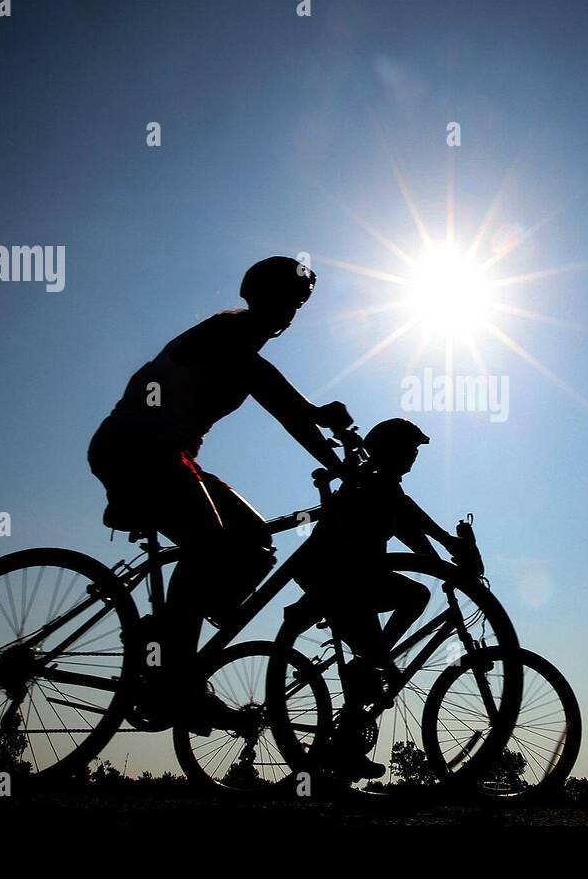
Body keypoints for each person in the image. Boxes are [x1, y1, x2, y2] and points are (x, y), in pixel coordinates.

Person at [87, 256, 353, 723]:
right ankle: (172, 669)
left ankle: (170, 641)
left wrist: (339, 463)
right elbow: (278, 399)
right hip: (136, 449)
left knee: (254, 540)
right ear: (260, 297)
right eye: (287, 301)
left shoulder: (244, 349)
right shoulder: (228, 333)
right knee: (208, 544)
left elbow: (284, 407)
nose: (291, 314)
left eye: (298, 306)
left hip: (171, 456)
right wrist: (317, 418)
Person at [292, 417, 478, 781]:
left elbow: (414, 537)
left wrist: (446, 561)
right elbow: (413, 517)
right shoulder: (373, 483)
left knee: (372, 658)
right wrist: (449, 546)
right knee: (411, 600)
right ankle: (367, 670)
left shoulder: (380, 486)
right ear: (390, 451)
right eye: (409, 450)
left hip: (356, 578)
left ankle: (347, 741)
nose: (413, 457)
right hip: (335, 578)